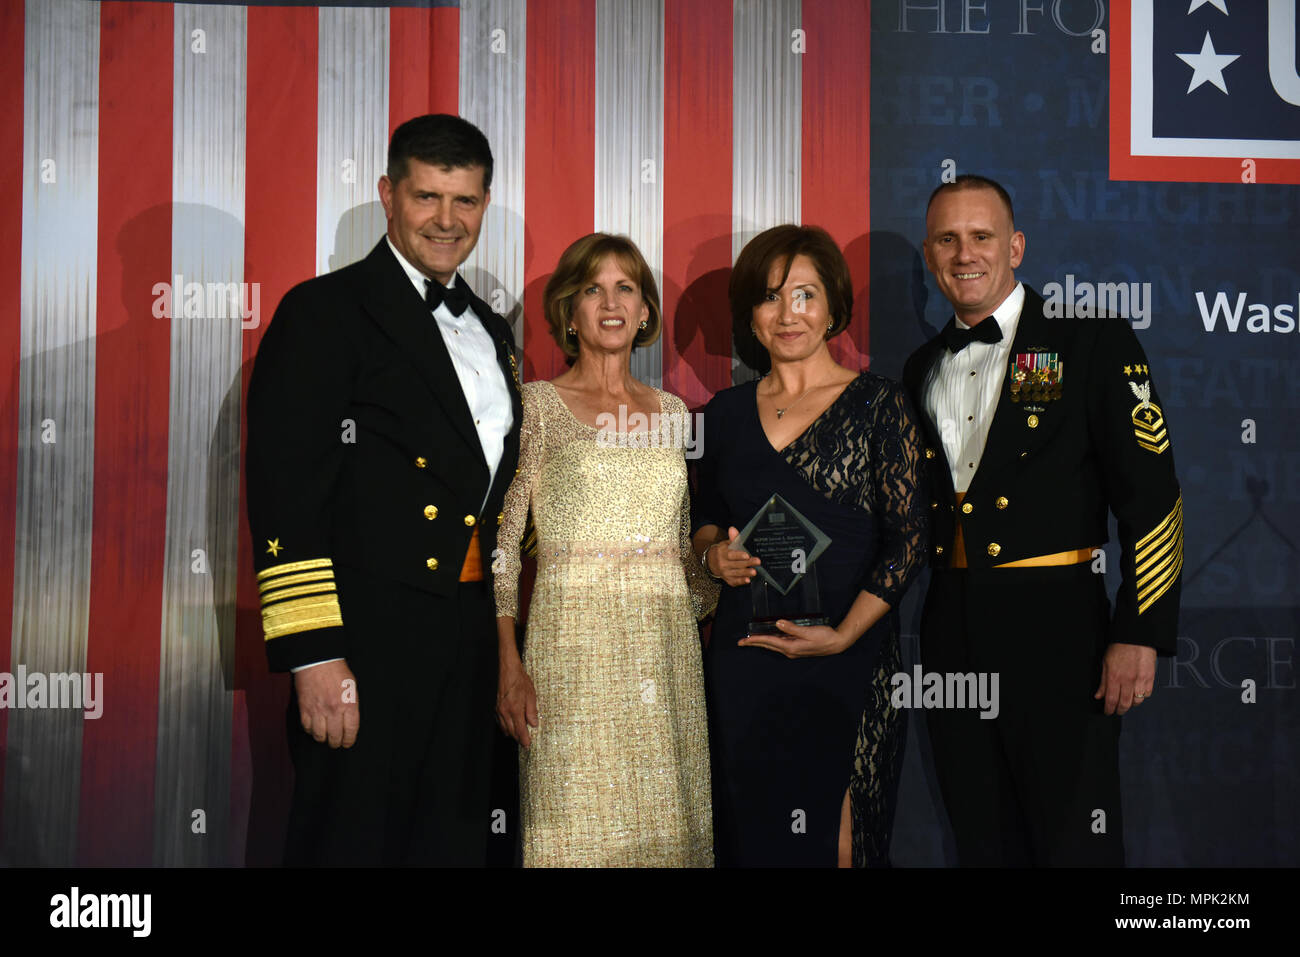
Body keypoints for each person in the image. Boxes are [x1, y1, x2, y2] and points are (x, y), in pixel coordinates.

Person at [245, 114, 521, 866]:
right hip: (367, 635)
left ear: (485, 204)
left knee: (454, 841)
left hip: (466, 632)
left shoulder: (493, 331)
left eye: (464, 201)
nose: (446, 220)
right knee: (353, 840)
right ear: (387, 196)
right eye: (427, 197)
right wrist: (313, 655)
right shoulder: (324, 313)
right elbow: (285, 495)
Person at [902, 174, 1183, 866]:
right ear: (929, 254)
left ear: (1016, 246)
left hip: (1061, 632)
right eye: (947, 239)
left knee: (1072, 843)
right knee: (981, 837)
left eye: (982, 236)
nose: (965, 254)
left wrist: (1139, 630)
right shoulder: (919, 368)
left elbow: (1152, 496)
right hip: (952, 627)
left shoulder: (1089, 341)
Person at [692, 224, 927, 867]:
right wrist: (712, 555)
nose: (788, 314)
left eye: (804, 295)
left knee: (839, 845)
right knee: (754, 840)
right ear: (751, 315)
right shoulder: (722, 414)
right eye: (771, 298)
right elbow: (706, 521)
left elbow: (909, 542)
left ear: (832, 309)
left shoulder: (880, 404)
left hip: (846, 660)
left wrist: (845, 636)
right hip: (746, 661)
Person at [493, 233, 718, 867]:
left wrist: (722, 574)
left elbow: (679, 548)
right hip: (569, 652)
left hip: (665, 651)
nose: (610, 303)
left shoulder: (674, 413)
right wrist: (509, 664)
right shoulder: (537, 405)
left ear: (645, 310)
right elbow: (504, 546)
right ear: (569, 310)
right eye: (592, 289)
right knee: (571, 833)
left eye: (626, 288)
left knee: (667, 836)